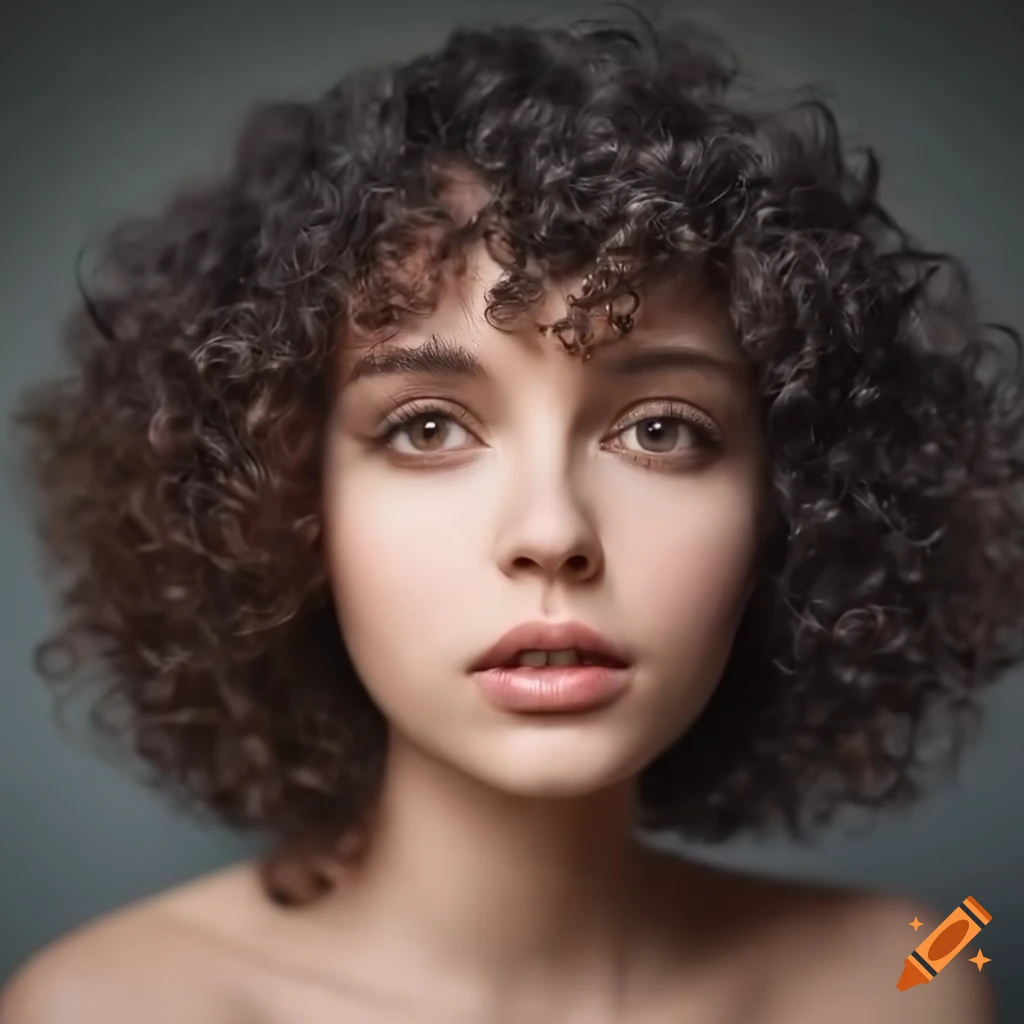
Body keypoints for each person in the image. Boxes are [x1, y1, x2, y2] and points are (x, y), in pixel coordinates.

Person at [1, 8, 1020, 1023]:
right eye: (428, 427)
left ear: (788, 505)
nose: (550, 532)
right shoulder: (105, 1005)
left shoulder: (903, 979)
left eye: (661, 430)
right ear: (284, 504)